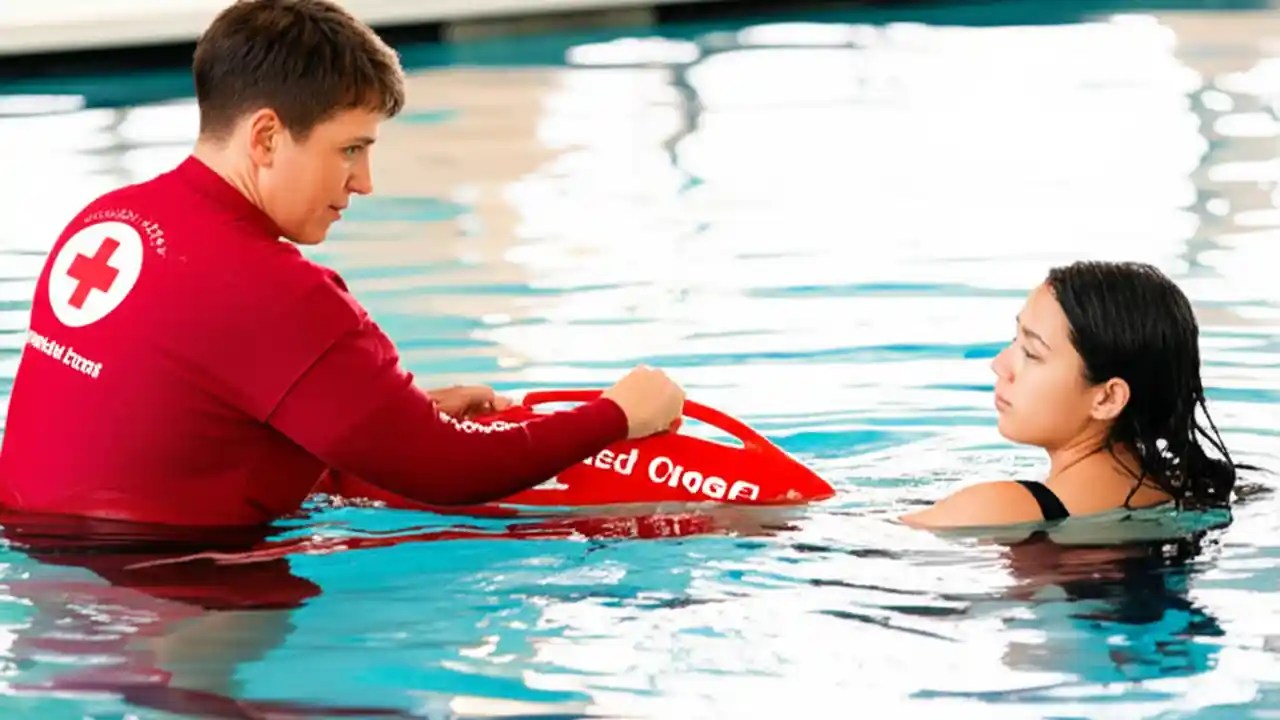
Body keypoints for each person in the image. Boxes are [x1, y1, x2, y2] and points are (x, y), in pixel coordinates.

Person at [0, 0, 685, 527]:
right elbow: (447, 471)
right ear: (266, 136)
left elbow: (169, 423)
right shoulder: (275, 289)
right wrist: (618, 415)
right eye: (350, 149)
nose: (364, 182)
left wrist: (382, 418)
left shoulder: (107, 221)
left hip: (51, 565)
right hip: (171, 592)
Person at [902, 260, 1244, 529]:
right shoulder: (1191, 489)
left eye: (1032, 353)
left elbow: (861, 542)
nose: (999, 365)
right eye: (1014, 341)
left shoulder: (998, 507)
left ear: (1107, 399)